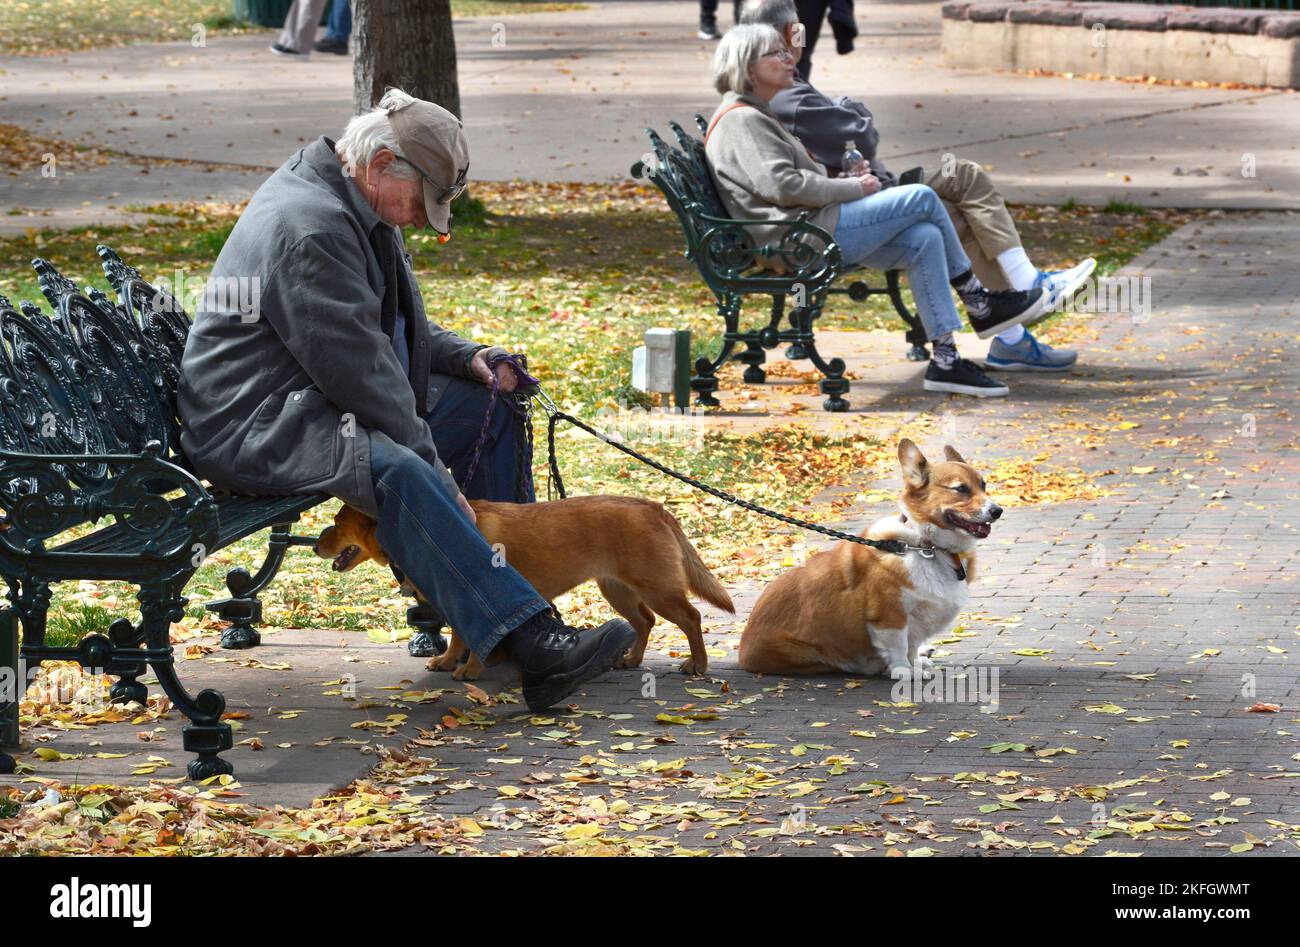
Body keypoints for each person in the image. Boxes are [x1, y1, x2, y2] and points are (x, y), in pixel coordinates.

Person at [177, 89, 635, 710]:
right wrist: (440, 476)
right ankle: (532, 642)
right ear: (381, 162)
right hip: (254, 424)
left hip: (305, 400)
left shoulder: (353, 201)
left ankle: (507, 605)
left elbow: (383, 328)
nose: (424, 218)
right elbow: (360, 372)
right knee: (398, 468)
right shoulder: (308, 225)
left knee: (483, 405)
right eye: (424, 200)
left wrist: (465, 357)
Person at [742, 0, 1095, 372]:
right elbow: (861, 136)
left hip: (865, 192)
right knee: (959, 183)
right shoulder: (786, 95)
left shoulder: (784, 86)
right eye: (797, 32)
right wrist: (852, 119)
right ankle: (1024, 295)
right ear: (782, 38)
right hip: (861, 202)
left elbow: (848, 136)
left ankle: (1012, 333)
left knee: (959, 206)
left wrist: (849, 121)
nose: (802, 38)